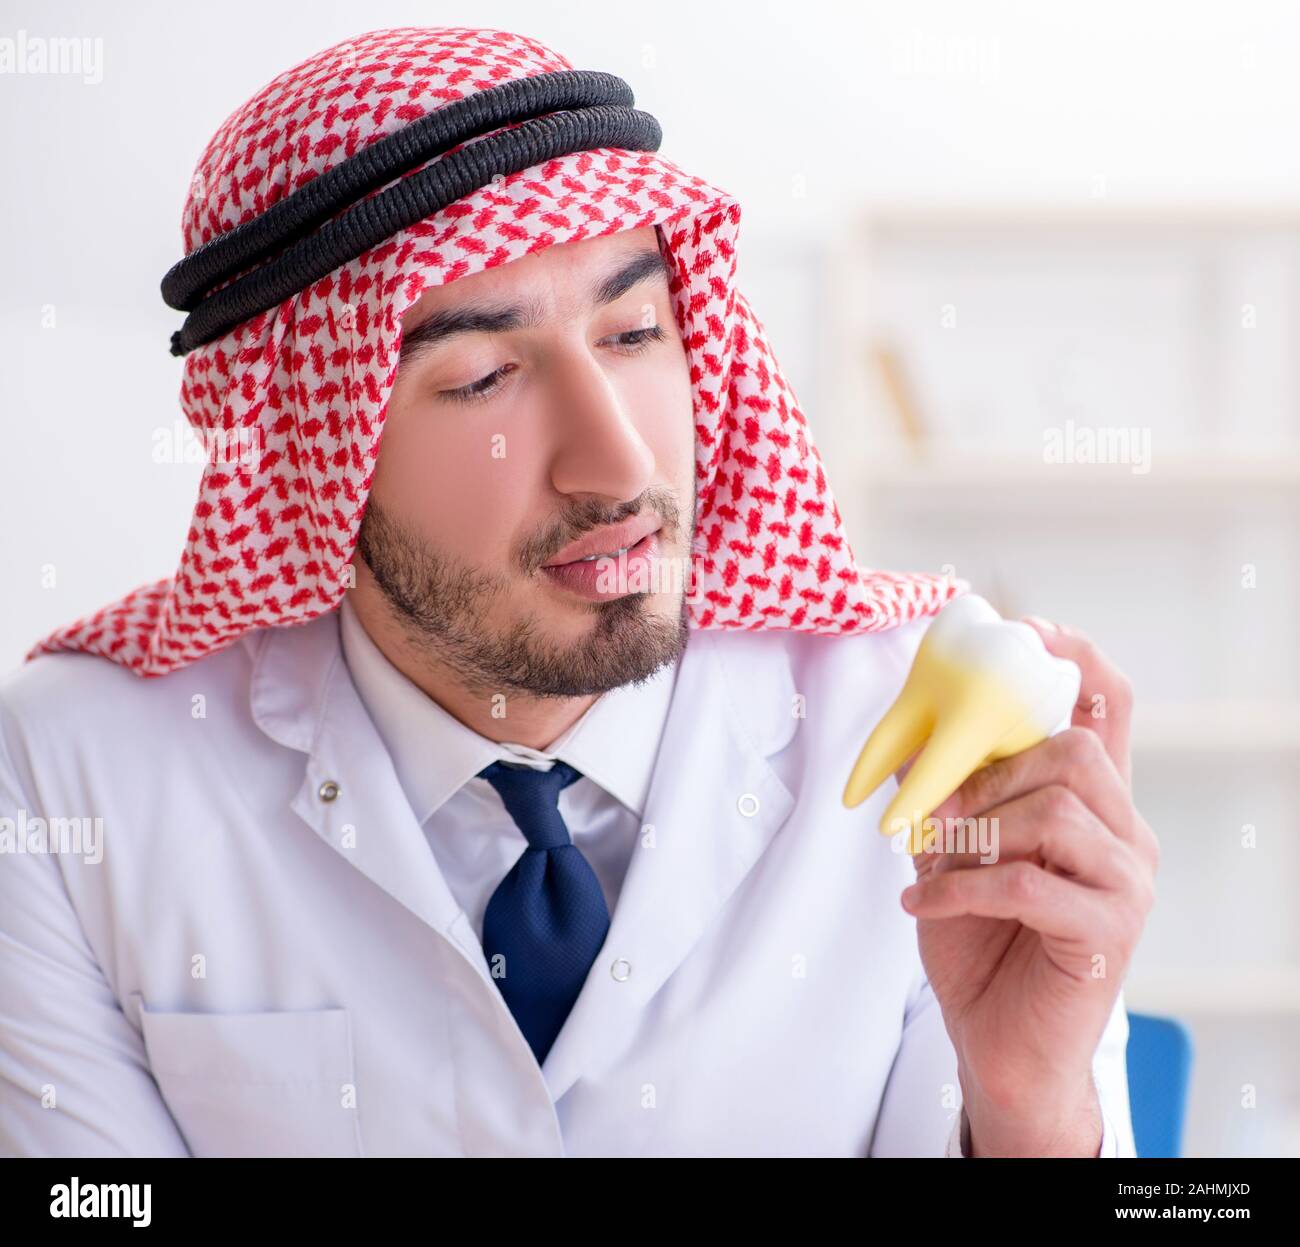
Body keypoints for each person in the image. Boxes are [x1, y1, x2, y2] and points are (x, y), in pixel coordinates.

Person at [0, 26, 1157, 1158]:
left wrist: (1027, 1112)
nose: (618, 465)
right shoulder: (69, 780)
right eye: (485, 375)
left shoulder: (927, 736)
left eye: (636, 330)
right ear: (312, 444)